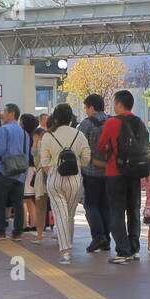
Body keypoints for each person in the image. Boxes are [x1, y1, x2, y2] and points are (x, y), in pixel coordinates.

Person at [95, 90, 149, 264]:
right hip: (135, 173)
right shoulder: (140, 122)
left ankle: (122, 250)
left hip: (115, 172)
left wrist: (111, 151)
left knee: (116, 212)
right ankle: (134, 249)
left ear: (119, 104)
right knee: (133, 211)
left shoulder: (112, 122)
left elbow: (101, 145)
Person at [38, 103, 91, 264]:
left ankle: (65, 252)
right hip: (75, 178)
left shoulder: (48, 135)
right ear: (71, 117)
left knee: (60, 214)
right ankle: (69, 246)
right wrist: (77, 164)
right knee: (69, 215)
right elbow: (86, 159)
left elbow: (44, 162)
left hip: (55, 176)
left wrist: (54, 172)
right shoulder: (79, 134)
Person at [0, 103, 32, 239]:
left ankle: (0, 230)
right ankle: (17, 232)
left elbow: (0, 149)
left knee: (0, 202)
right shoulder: (24, 132)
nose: (2, 114)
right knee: (18, 203)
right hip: (20, 171)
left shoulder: (4, 129)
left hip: (5, 170)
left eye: (5, 111)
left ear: (11, 113)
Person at [80, 93, 112, 253]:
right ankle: (106, 238)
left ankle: (98, 236)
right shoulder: (112, 120)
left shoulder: (86, 124)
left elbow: (80, 148)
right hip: (110, 171)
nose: (86, 111)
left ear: (91, 107)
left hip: (91, 170)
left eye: (86, 107)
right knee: (105, 205)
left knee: (91, 205)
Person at [22, 114, 47, 242]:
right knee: (33, 200)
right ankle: (34, 225)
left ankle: (34, 226)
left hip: (33, 172)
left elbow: (34, 156)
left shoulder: (33, 138)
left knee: (30, 199)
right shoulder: (42, 136)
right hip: (39, 172)